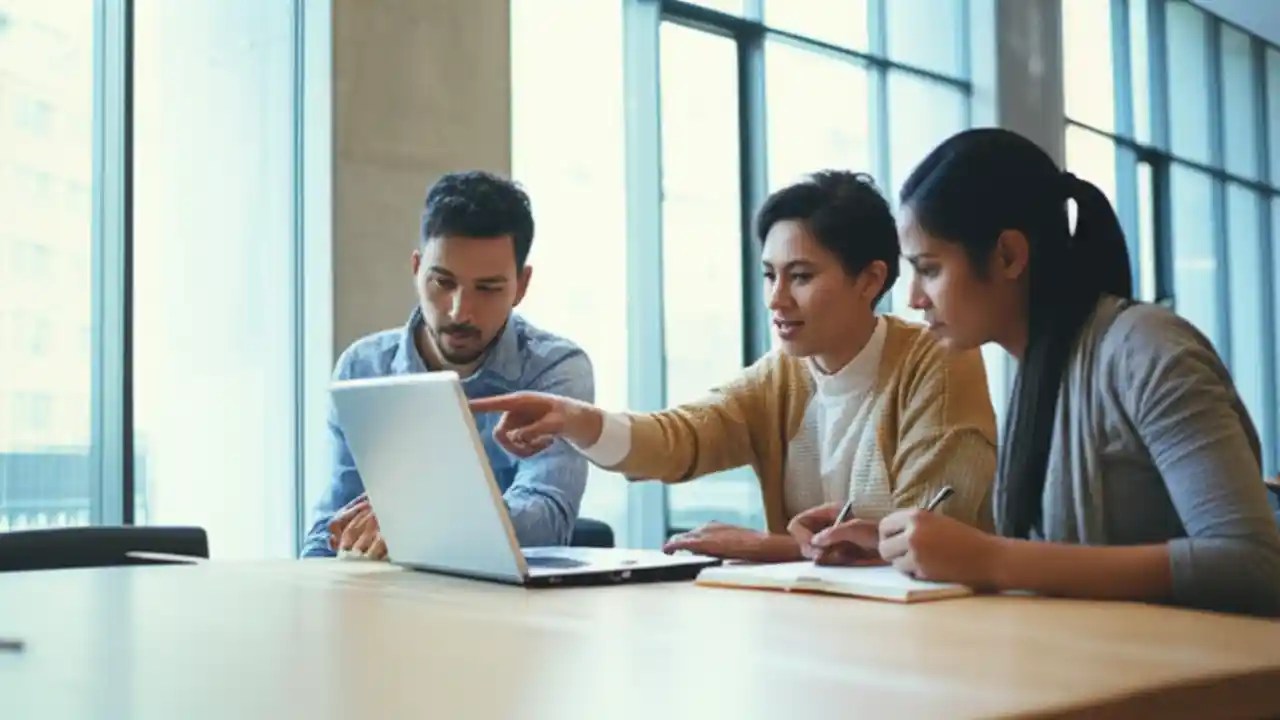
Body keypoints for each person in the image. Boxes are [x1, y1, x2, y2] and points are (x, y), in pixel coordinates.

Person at [795, 127, 1280, 616]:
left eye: (931, 269)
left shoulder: (1148, 351)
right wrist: (890, 546)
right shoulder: (1038, 369)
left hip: (1201, 683)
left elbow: (1252, 562)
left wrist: (992, 558)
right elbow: (1051, 555)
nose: (916, 297)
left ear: (1008, 255)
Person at [470, 171, 997, 563]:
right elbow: (681, 438)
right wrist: (573, 418)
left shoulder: (937, 360)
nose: (776, 299)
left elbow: (929, 536)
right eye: (770, 275)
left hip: (932, 631)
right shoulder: (782, 376)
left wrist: (772, 548)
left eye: (801, 276)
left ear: (869, 279)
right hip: (820, 630)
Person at [300, 171, 594, 559]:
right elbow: (328, 529)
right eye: (443, 282)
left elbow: (548, 517)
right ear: (417, 268)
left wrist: (417, 521)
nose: (459, 311)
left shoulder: (554, 368)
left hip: (504, 608)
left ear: (521, 286)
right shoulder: (363, 367)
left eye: (487, 289)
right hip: (382, 604)